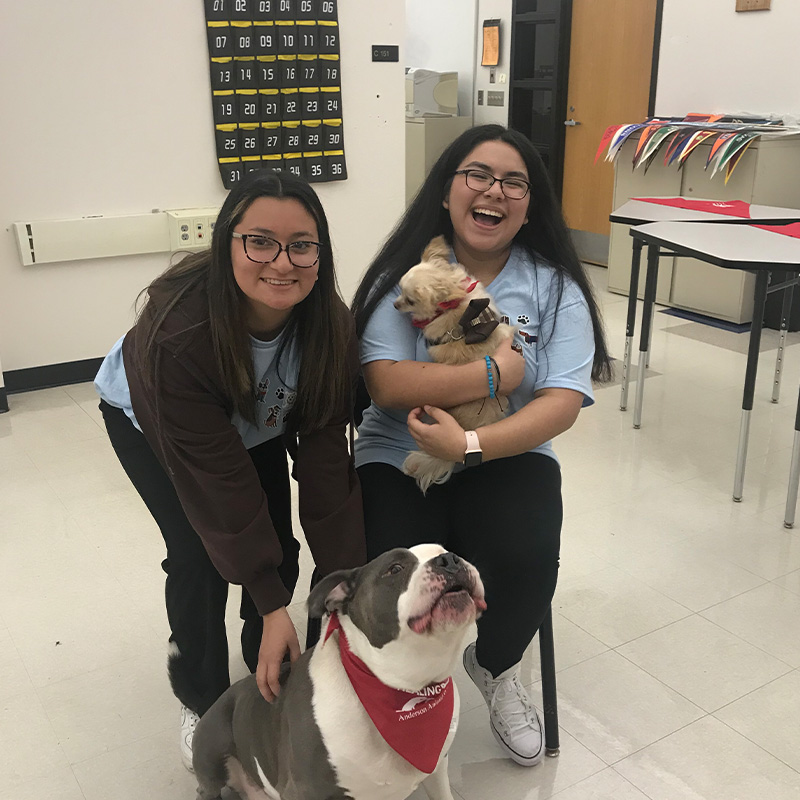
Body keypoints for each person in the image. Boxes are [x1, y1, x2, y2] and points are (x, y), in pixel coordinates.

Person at [351, 124, 612, 767]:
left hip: (506, 448)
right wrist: (497, 373)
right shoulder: (408, 276)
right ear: (448, 192)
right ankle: (398, 689)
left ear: (530, 205)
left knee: (524, 554)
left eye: (514, 181)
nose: (494, 190)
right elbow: (386, 381)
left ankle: (495, 668)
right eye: (478, 175)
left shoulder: (555, 288)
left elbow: (562, 401)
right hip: (399, 450)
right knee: (396, 569)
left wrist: (470, 443)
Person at [95, 170, 366, 769]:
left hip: (256, 416)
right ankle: (203, 696)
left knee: (278, 550)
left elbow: (325, 466)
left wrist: (341, 586)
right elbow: (220, 486)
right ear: (228, 244)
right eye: (260, 241)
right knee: (199, 554)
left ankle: (264, 667)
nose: (282, 262)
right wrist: (273, 604)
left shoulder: (329, 327)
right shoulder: (177, 337)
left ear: (320, 253)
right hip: (153, 421)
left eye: (302, 245)